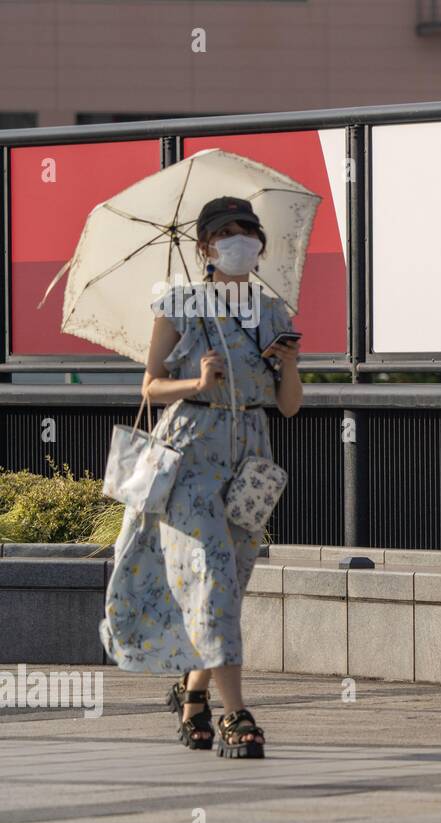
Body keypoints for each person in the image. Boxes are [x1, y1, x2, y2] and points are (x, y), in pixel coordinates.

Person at [99, 196, 303, 758]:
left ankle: (193, 695)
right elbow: (149, 386)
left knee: (230, 583)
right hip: (189, 455)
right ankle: (237, 712)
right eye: (227, 233)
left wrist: (286, 365)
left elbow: (288, 407)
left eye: (249, 232)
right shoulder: (180, 303)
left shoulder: (271, 310)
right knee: (211, 573)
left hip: (250, 460)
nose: (241, 241)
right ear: (205, 246)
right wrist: (195, 383)